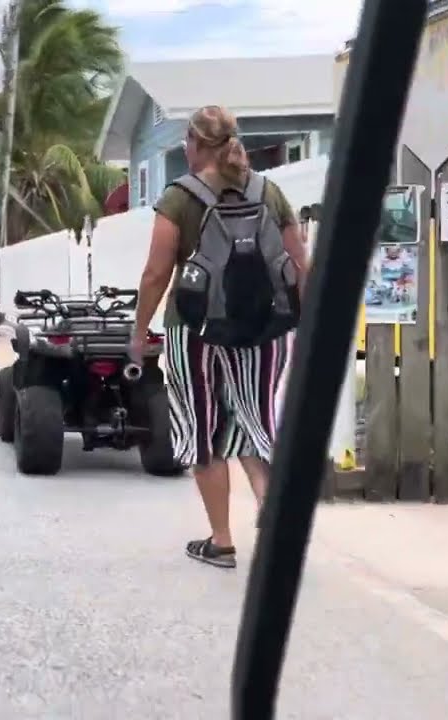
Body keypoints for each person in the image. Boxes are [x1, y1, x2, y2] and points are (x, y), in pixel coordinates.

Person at [128, 106, 307, 569]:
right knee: (255, 417)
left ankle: (222, 540)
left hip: (194, 331)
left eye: (185, 142)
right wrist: (302, 320)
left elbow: (155, 273)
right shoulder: (269, 191)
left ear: (195, 143)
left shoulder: (180, 197)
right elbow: (298, 262)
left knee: (203, 430)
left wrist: (138, 332)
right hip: (265, 331)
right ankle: (271, 506)